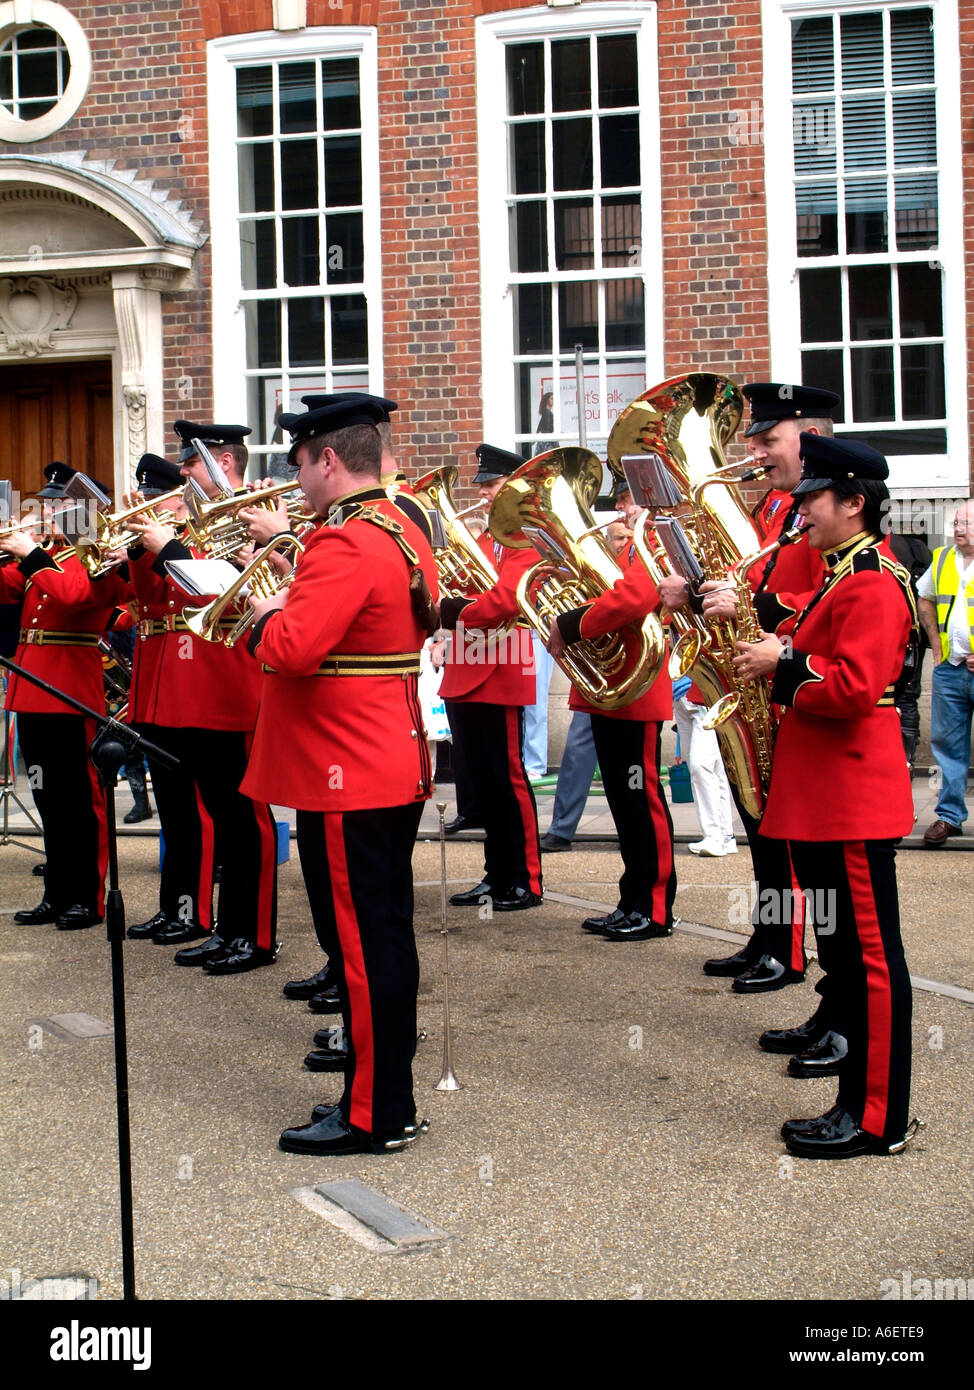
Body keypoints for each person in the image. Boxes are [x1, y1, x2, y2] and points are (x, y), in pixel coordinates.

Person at [240, 394, 437, 1156]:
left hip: (344, 766)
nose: (295, 478)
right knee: (384, 936)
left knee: (362, 946)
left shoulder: (344, 539)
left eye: (299, 462)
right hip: (383, 753)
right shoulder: (399, 523)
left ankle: (372, 1114)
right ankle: (390, 1099)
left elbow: (291, 649)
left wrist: (263, 613)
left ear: (328, 458)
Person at [731, 433, 919, 1158]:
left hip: (851, 797)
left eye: (815, 498)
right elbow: (809, 633)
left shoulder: (873, 578)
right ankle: (859, 1103)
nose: (802, 509)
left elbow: (851, 688)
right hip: (826, 794)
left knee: (872, 962)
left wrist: (782, 662)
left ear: (854, 502)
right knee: (847, 954)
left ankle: (879, 1118)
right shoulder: (845, 574)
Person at [663, 381, 838, 995]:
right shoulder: (775, 507)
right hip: (754, 677)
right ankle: (767, 936)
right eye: (756, 441)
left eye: (769, 440)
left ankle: (788, 950)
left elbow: (823, 599)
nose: (758, 452)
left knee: (781, 836)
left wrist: (757, 604)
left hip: (791, 683)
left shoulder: (830, 507)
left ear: (809, 439)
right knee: (759, 828)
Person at [124, 421, 279, 971]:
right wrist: (145, 552)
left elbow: (222, 589)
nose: (181, 473)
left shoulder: (249, 516)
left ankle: (253, 935)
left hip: (228, 685)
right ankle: (207, 920)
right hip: (184, 688)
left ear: (222, 463)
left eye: (190, 463)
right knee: (198, 812)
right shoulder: (190, 522)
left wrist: (172, 547)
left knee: (241, 819)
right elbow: (152, 599)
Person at [0, 467, 130, 929]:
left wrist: (32, 553)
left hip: (71, 695)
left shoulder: (94, 558)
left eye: (57, 505)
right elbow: (7, 587)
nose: (47, 512)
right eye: (47, 504)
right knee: (48, 800)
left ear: (82, 513)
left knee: (81, 802)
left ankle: (86, 898)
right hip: (32, 694)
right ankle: (56, 893)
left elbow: (75, 596)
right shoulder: (49, 555)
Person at [547, 509, 676, 941]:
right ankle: (631, 900)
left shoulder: (656, 539)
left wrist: (571, 623)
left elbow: (636, 595)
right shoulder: (630, 545)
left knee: (642, 802)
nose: (625, 511)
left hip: (637, 687)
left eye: (632, 500)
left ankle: (654, 908)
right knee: (624, 805)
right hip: (611, 684)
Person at [437, 444, 544, 911]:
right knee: (480, 782)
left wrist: (454, 610)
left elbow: (507, 599)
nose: (482, 493)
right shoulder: (481, 543)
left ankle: (525, 878)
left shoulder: (525, 541)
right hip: (465, 666)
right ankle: (495, 874)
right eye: (481, 485)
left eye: (491, 485)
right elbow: (458, 588)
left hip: (501, 667)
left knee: (508, 779)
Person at [917, 499, 974, 844]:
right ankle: (949, 817)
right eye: (956, 523)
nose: (957, 529)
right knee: (947, 746)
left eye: (965, 523)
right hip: (950, 670)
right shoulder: (941, 560)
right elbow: (924, 598)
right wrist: (936, 646)